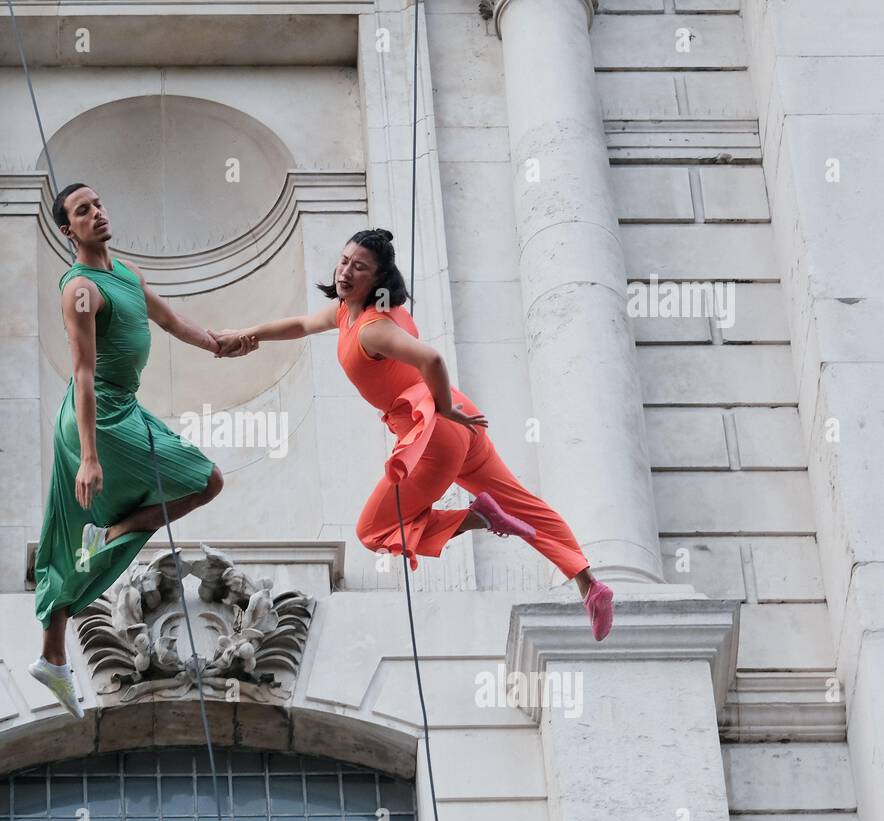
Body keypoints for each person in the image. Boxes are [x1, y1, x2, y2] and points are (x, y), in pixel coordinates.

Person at [211, 228, 615, 641]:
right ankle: (590, 585)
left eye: (359, 267)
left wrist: (440, 407)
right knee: (524, 504)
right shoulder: (345, 313)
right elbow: (299, 323)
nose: (345, 272)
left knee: (372, 531)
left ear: (378, 279)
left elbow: (432, 358)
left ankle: (480, 516)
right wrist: (248, 335)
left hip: (435, 431)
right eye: (344, 261)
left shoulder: (372, 328)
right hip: (461, 425)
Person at [30, 184, 226, 716]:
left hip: (126, 410)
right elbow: (84, 373)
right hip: (99, 418)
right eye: (81, 211)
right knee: (204, 479)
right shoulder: (79, 289)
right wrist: (90, 457)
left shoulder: (128, 274)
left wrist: (217, 342)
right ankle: (114, 532)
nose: (96, 213)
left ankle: (52, 657)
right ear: (68, 230)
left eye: (97, 204)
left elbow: (169, 319)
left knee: (81, 534)